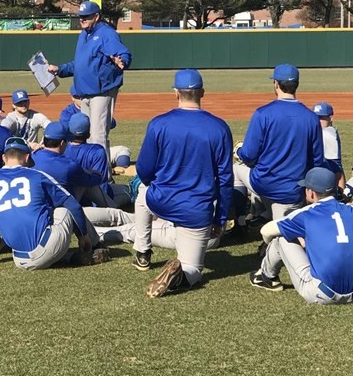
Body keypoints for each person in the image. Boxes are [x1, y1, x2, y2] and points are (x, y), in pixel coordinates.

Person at [132, 69, 233, 297]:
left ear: (176, 93)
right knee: (193, 270)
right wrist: (220, 218)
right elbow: (225, 180)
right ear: (202, 93)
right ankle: (179, 275)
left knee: (142, 191)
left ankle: (143, 252)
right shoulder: (219, 127)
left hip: (160, 199)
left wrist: (155, 185)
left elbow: (144, 170)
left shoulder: (159, 124)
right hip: (195, 210)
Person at [0, 137, 109, 271]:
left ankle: (69, 258)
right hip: (44, 249)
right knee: (63, 210)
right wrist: (83, 236)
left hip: (19, 258)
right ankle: (93, 246)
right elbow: (73, 206)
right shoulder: (37, 175)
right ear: (27, 157)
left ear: (3, 158)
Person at [248, 167, 353, 304]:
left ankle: (266, 277)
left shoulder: (308, 213)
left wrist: (272, 244)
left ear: (311, 192)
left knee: (281, 237)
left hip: (323, 294)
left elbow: (266, 231)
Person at [234, 64, 324, 222]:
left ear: (276, 84)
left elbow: (249, 155)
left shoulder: (263, 113)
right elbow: (317, 161)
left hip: (264, 184)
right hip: (294, 190)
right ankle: (262, 212)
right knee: (282, 228)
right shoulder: (311, 118)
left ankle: (240, 223)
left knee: (235, 169)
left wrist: (239, 152)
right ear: (297, 84)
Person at [46, 0, 131, 152]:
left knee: (97, 136)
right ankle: (89, 166)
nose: (82, 19)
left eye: (86, 16)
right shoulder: (83, 35)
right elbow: (80, 64)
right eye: (81, 16)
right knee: (84, 135)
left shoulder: (106, 33)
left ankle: (102, 168)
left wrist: (122, 61)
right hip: (84, 93)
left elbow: (123, 53)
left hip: (101, 91)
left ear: (96, 17)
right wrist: (59, 69)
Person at [30, 122, 111, 208]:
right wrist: (93, 173)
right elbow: (94, 180)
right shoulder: (68, 166)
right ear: (62, 143)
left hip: (34, 206)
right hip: (62, 210)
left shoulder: (30, 158)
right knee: (116, 213)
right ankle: (112, 209)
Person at [65, 113, 131, 208]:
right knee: (129, 190)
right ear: (88, 134)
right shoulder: (96, 151)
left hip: (68, 200)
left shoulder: (61, 148)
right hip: (93, 201)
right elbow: (101, 185)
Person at [59, 94, 131, 170]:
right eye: (78, 97)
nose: (81, 100)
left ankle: (121, 169)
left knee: (123, 150)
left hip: (76, 150)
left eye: (82, 97)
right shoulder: (67, 113)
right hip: (86, 149)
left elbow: (112, 123)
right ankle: (111, 169)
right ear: (72, 98)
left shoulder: (93, 107)